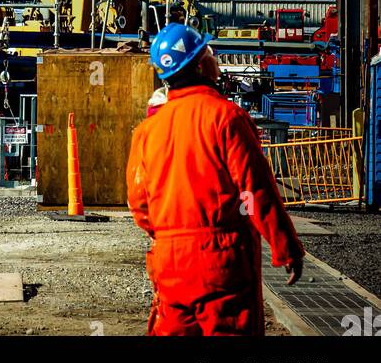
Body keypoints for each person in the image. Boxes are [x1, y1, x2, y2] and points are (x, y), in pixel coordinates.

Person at [127, 23, 304, 336]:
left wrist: (170, 234)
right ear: (199, 65)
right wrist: (285, 246)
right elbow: (255, 191)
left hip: (168, 259)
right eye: (209, 51)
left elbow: (139, 202)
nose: (215, 56)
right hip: (220, 259)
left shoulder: (146, 131)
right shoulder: (226, 118)